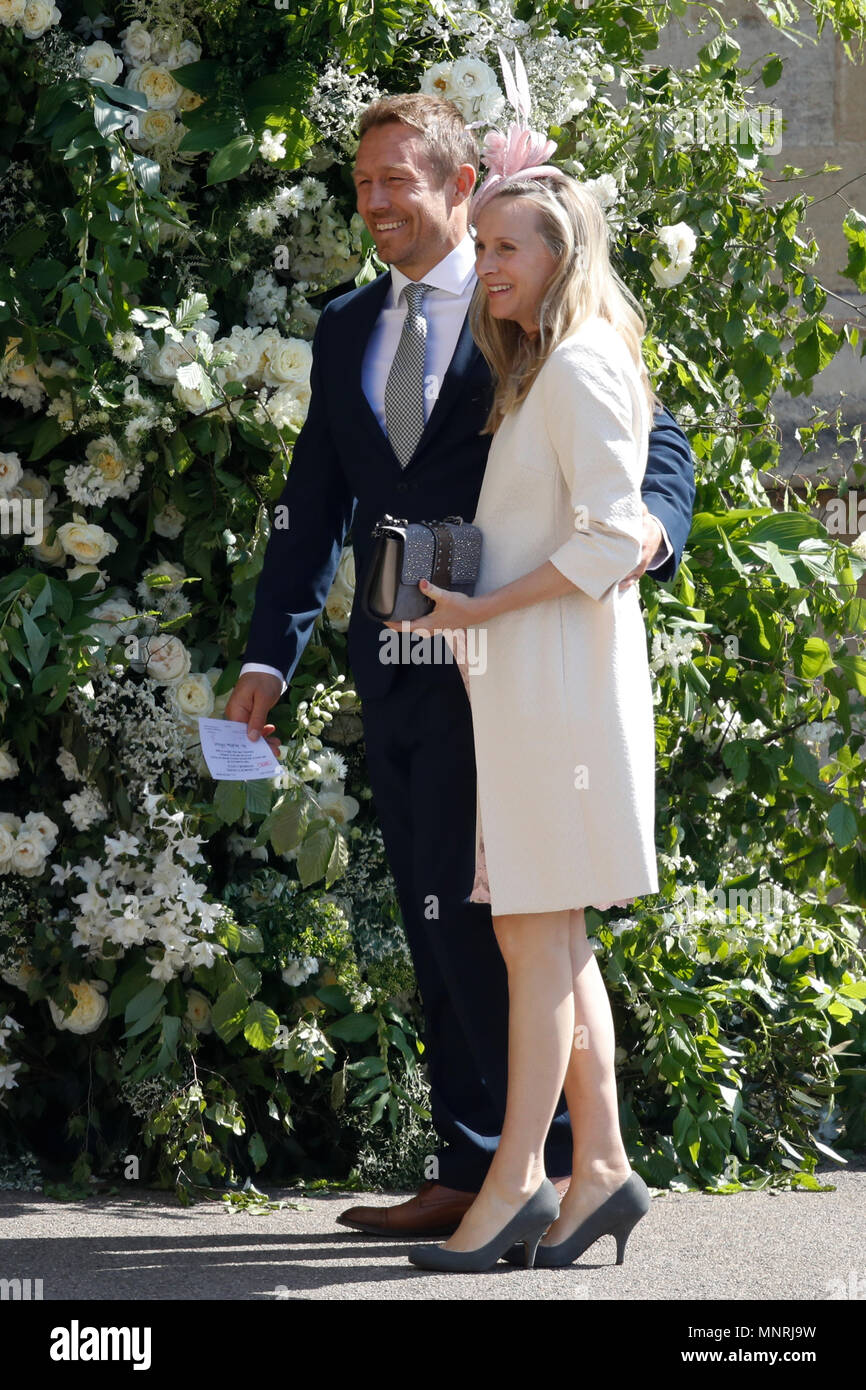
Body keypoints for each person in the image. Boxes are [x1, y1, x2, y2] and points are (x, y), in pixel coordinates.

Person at [225, 92, 695, 1239]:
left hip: (517, 665)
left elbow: (650, 442)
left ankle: (521, 1172)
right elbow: (311, 507)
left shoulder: (526, 305)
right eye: (362, 180)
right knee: (455, 924)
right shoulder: (346, 327)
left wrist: (644, 539)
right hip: (401, 665)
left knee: (525, 926)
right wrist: (265, 658)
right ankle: (505, 1163)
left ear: (455, 186)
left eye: (398, 180)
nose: (375, 201)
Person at [396, 128, 661, 1273]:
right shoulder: (543, 367)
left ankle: (513, 1183)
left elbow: (615, 537)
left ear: (562, 256)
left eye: (506, 247)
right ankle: (597, 1169)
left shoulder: (584, 361)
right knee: (553, 940)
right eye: (483, 244)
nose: (486, 264)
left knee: (530, 938)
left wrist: (478, 610)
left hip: (559, 696)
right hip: (530, 692)